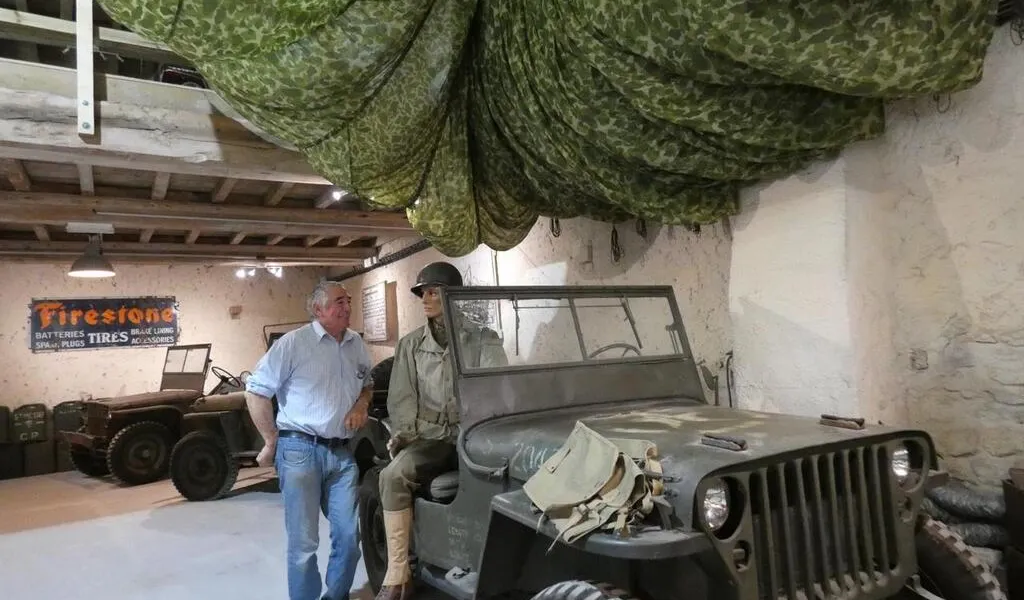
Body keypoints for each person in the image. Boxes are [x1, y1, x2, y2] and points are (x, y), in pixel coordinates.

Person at [375, 261, 508, 600]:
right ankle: (397, 572)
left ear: (453, 297)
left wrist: (472, 427)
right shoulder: (410, 346)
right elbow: (402, 403)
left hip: (475, 436)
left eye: (433, 292)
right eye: (423, 292)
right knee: (393, 476)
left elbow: (498, 390)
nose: (425, 299)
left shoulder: (482, 340)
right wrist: (421, 433)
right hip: (430, 440)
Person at [244, 280, 374, 600]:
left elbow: (367, 383)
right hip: (299, 451)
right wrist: (272, 440)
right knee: (304, 545)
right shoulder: (293, 344)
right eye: (338, 302)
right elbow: (256, 391)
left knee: (348, 535)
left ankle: (336, 596)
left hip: (342, 454)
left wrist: (361, 403)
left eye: (348, 300)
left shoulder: (356, 343)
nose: (347, 307)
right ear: (318, 310)